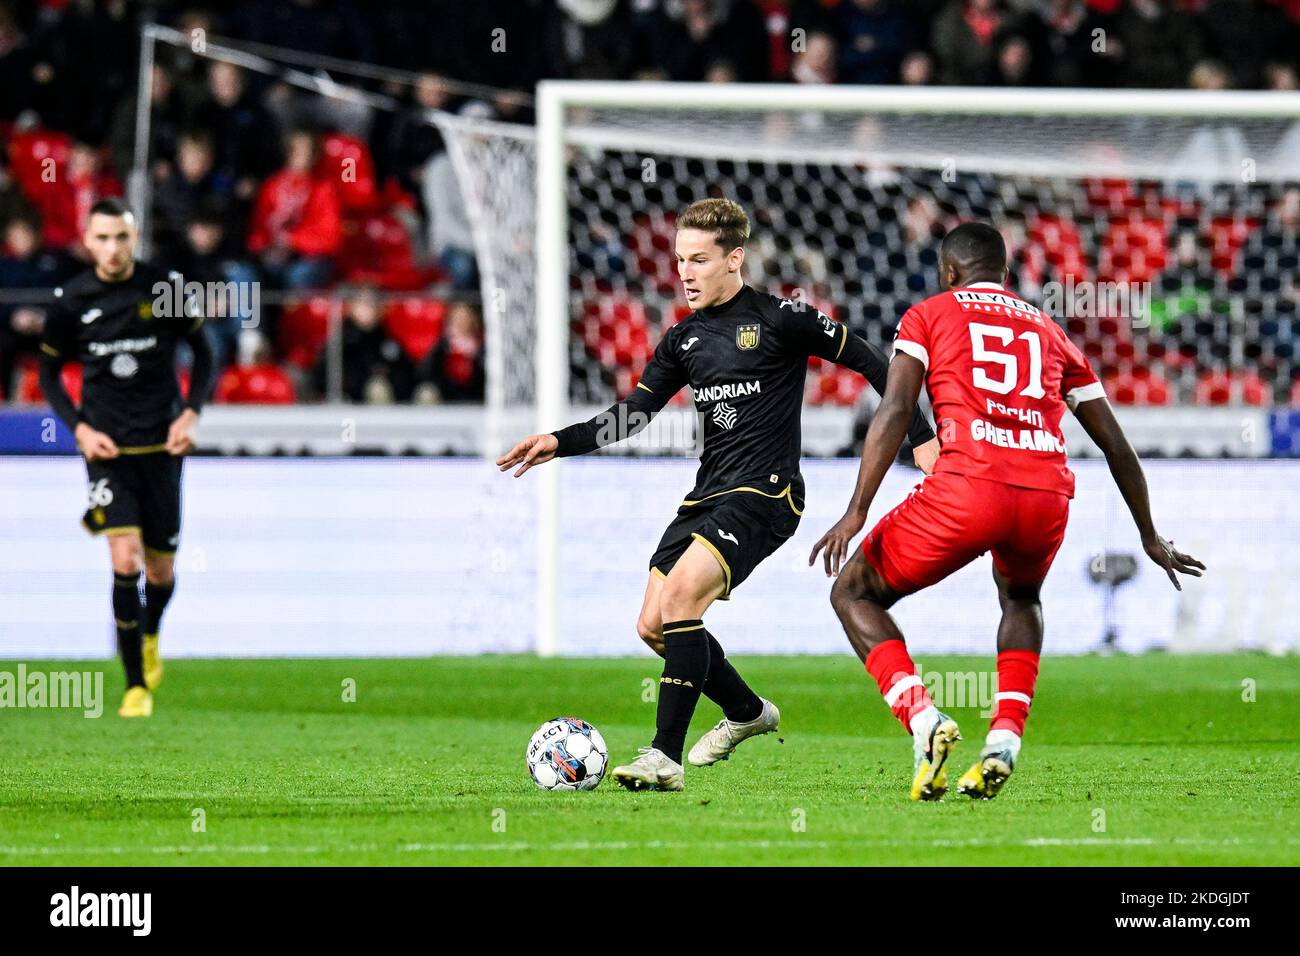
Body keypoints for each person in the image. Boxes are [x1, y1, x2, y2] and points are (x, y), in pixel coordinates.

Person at [498, 198, 939, 792]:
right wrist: (560, 440)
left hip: (768, 493)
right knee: (653, 626)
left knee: (681, 600)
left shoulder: (783, 319)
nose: (685, 273)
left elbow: (872, 361)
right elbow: (631, 418)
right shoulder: (683, 340)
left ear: (735, 259)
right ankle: (748, 712)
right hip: (707, 496)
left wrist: (922, 439)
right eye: (680, 260)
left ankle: (664, 756)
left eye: (699, 260)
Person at [811, 222, 1204, 801]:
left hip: (969, 486)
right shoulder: (1048, 328)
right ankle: (1004, 741)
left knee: (853, 593)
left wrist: (856, 510)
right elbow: (1116, 445)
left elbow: (895, 408)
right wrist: (1149, 534)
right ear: (1008, 276)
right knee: (1021, 597)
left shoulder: (929, 314)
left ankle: (924, 724)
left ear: (948, 273)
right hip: (1046, 493)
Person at [38, 198, 216, 718]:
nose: (112, 249)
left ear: (133, 239)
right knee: (125, 560)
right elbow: (48, 373)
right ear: (87, 241)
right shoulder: (72, 299)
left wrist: (192, 413)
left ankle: (152, 631)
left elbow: (205, 353)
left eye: (121, 237)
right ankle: (134, 684)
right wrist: (80, 429)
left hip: (162, 448)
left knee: (160, 571)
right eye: (102, 238)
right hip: (108, 452)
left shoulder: (163, 288)